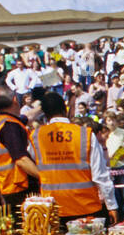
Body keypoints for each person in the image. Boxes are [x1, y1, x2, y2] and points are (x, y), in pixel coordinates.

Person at [29, 92, 118, 226]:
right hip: (87, 209)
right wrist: (112, 205)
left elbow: (32, 163)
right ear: (66, 110)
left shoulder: (36, 136)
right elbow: (100, 175)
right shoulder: (85, 134)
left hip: (54, 211)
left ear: (45, 114)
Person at [0, 89, 41, 226]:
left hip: (10, 183)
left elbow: (27, 117)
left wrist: (42, 105)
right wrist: (44, 177)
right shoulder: (10, 126)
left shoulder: (4, 120)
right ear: (15, 101)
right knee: (29, 228)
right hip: (18, 185)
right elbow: (21, 159)